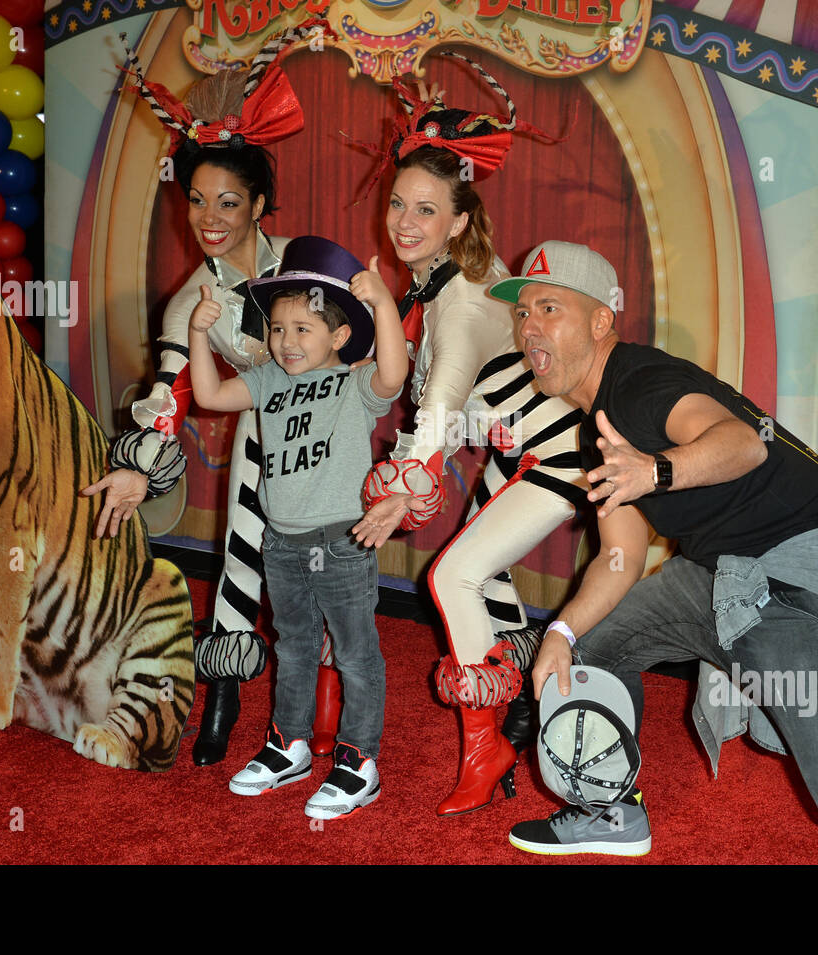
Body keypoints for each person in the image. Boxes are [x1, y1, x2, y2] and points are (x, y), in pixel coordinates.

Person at [495, 240, 818, 863]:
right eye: (522, 314)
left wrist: (658, 472)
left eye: (549, 308)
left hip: (797, 565)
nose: (529, 327)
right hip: (720, 571)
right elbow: (619, 558)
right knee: (594, 644)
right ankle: (611, 812)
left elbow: (741, 444)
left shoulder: (645, 383)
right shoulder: (600, 430)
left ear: (600, 321)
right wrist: (561, 631)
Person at [81, 28, 347, 767]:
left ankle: (329, 706)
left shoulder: (307, 265)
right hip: (265, 438)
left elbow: (353, 354)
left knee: (326, 576)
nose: (209, 216)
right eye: (196, 199)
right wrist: (139, 466)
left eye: (228, 200)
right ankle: (225, 694)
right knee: (242, 551)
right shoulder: (187, 304)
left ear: (260, 202)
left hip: (332, 438)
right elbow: (170, 391)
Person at [351, 57, 588, 816]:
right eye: (397, 205)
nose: (404, 223)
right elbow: (443, 409)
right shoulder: (444, 285)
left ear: (458, 220)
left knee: (448, 578)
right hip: (517, 453)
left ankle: (484, 752)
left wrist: (400, 493)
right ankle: (524, 718)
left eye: (425, 211)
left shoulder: (461, 302)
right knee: (481, 578)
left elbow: (442, 408)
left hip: (554, 456)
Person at [187, 235, 404, 817]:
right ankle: (290, 745)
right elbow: (207, 394)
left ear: (338, 336)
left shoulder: (353, 382)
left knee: (356, 654)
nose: (286, 341)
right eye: (278, 329)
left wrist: (384, 305)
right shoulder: (266, 382)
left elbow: (393, 372)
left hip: (342, 541)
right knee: (295, 645)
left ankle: (360, 760)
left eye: (303, 328)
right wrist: (197, 333)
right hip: (279, 540)